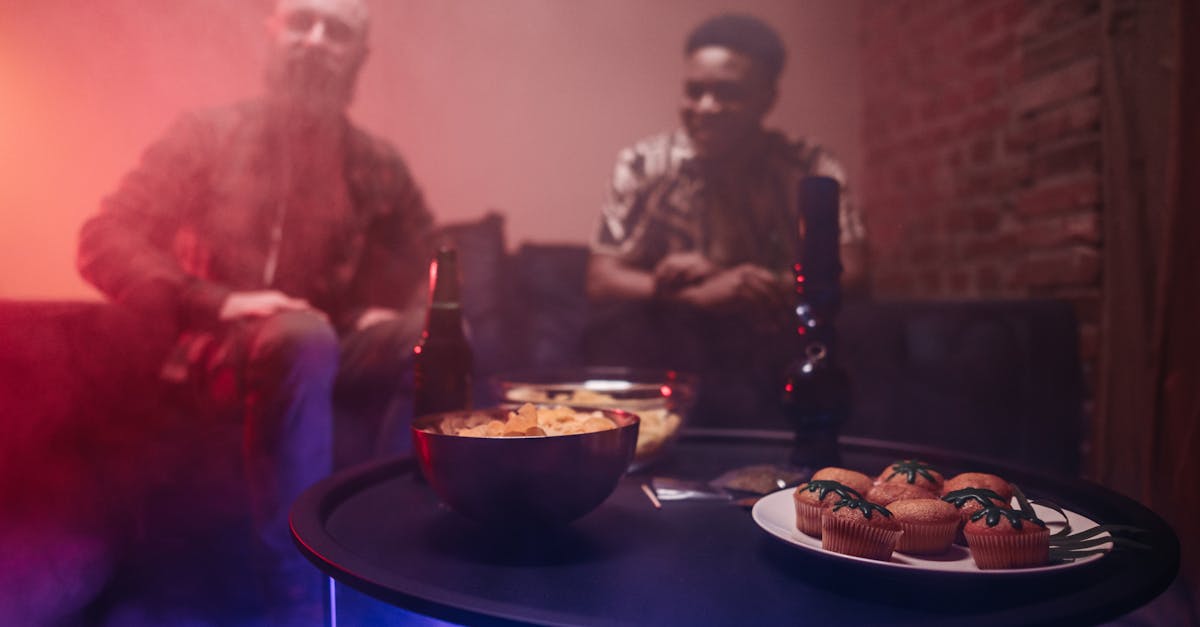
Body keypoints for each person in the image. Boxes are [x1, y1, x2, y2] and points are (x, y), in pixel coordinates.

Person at [76, 0, 431, 620]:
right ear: (272, 34)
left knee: (432, 338)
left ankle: (405, 567)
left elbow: (437, 262)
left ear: (359, 58)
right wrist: (216, 300)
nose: (316, 41)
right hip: (216, 346)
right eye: (301, 22)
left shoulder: (377, 164)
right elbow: (103, 238)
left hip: (326, 341)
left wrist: (407, 312)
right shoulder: (206, 135)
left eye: (337, 31)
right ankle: (298, 603)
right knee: (302, 338)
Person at [585, 13, 867, 428]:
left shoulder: (809, 165)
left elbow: (855, 271)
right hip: (671, 351)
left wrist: (745, 283)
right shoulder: (643, 164)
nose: (706, 108)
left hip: (776, 341)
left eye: (728, 93)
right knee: (614, 328)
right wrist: (695, 295)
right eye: (694, 91)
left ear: (767, 98)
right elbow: (601, 279)